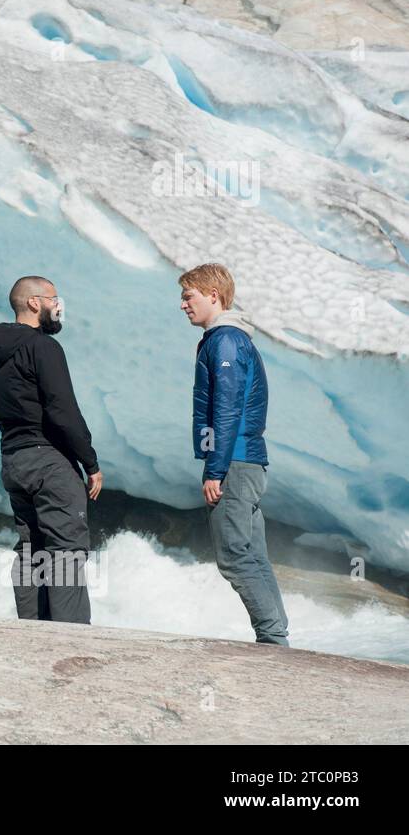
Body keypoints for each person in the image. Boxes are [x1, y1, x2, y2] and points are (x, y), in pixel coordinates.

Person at [179, 263, 289, 646]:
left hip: (235, 463)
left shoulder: (225, 340)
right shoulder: (231, 339)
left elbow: (226, 408)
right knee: (252, 554)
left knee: (234, 557)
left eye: (188, 296)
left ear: (214, 296)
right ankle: (275, 637)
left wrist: (215, 469)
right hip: (247, 461)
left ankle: (273, 640)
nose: (183, 305)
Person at [0, 276, 102, 624]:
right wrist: (90, 463)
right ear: (35, 303)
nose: (58, 305)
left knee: (31, 549)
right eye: (54, 298)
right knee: (66, 552)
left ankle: (33, 633)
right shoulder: (43, 347)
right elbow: (61, 409)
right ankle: (69, 638)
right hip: (49, 461)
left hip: (14, 459)